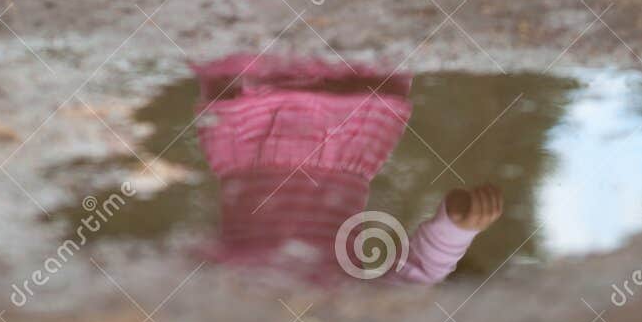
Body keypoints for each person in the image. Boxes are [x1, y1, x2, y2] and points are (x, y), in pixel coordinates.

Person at [192, 53, 503, 284]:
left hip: (252, 145)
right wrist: (454, 230)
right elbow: (416, 274)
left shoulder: (227, 315)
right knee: (353, 41)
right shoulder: (355, 316)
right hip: (343, 140)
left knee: (254, 37)